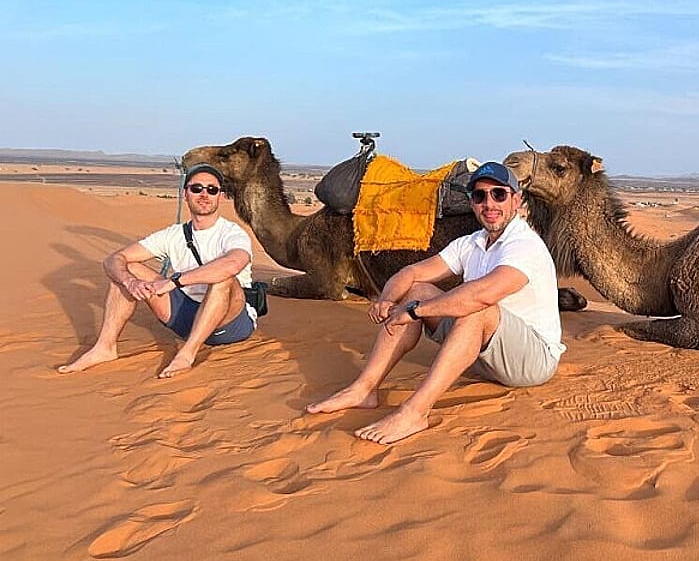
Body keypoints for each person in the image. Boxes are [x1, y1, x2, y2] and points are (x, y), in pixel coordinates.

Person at [306, 160, 565, 445]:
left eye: (498, 194)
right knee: (418, 290)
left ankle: (416, 412)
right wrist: (388, 299)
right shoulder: (472, 243)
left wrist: (415, 312)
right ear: (473, 203)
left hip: (532, 361)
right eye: (480, 196)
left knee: (477, 309)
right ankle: (364, 388)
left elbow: (482, 295)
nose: (489, 203)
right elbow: (412, 273)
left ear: (515, 200)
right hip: (483, 354)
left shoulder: (524, 245)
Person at [58, 163, 258, 378]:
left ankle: (186, 355)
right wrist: (129, 282)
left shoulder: (231, 234)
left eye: (212, 189)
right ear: (185, 193)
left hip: (230, 322)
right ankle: (104, 347)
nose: (204, 194)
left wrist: (174, 281)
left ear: (220, 196)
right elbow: (114, 259)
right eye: (197, 188)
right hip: (186, 315)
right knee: (127, 269)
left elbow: (233, 264)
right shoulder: (173, 235)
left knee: (224, 279)